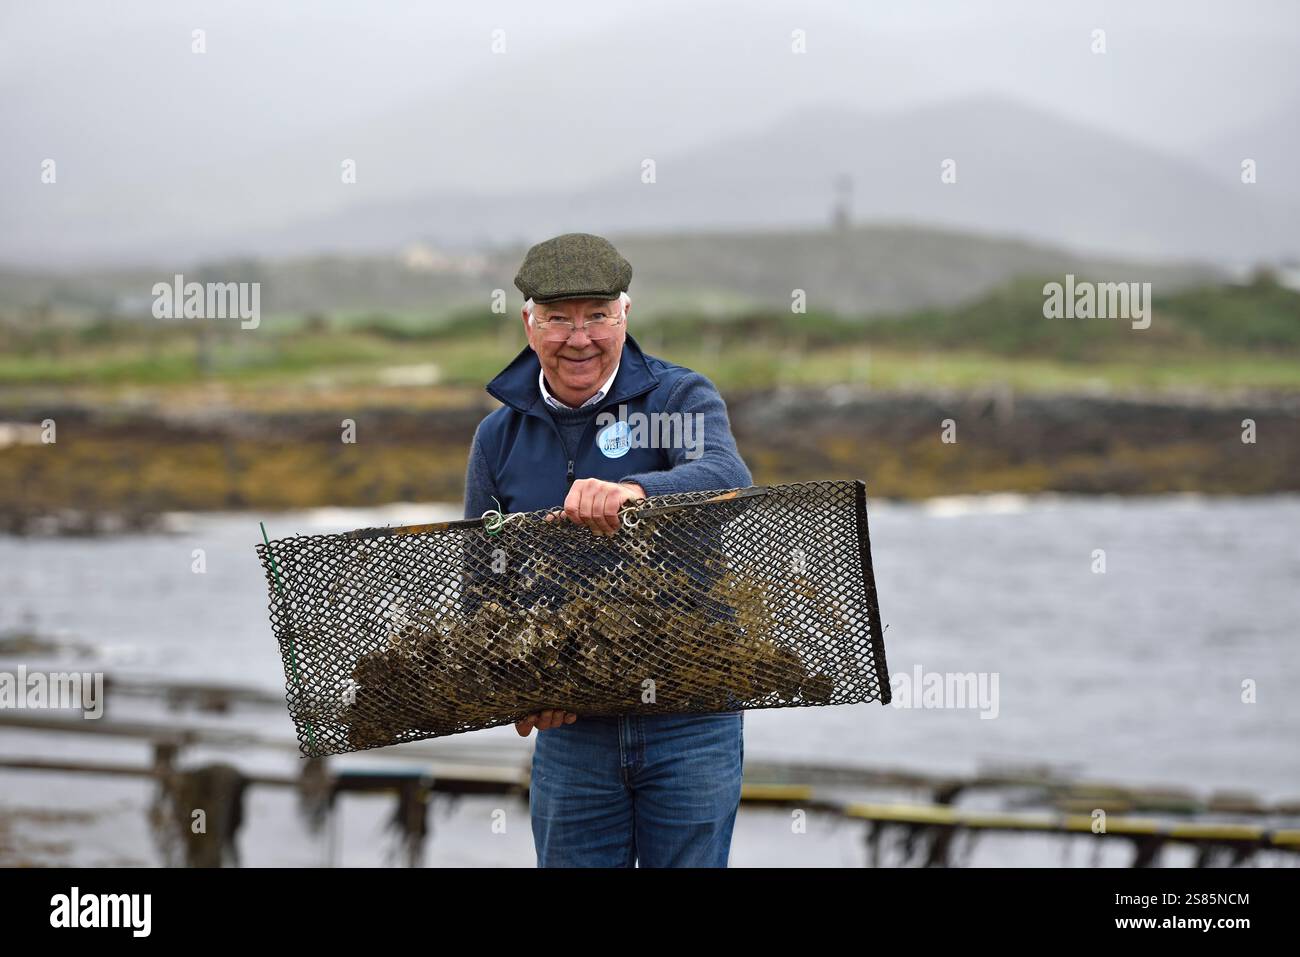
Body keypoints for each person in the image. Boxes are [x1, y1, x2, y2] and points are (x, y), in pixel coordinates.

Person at [462, 232, 754, 867]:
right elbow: (484, 585)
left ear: (626, 315)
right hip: (574, 732)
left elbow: (726, 477)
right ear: (528, 323)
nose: (579, 338)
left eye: (598, 316)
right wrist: (515, 686)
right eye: (559, 319)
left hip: (692, 714)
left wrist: (632, 491)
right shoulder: (498, 437)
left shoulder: (676, 400)